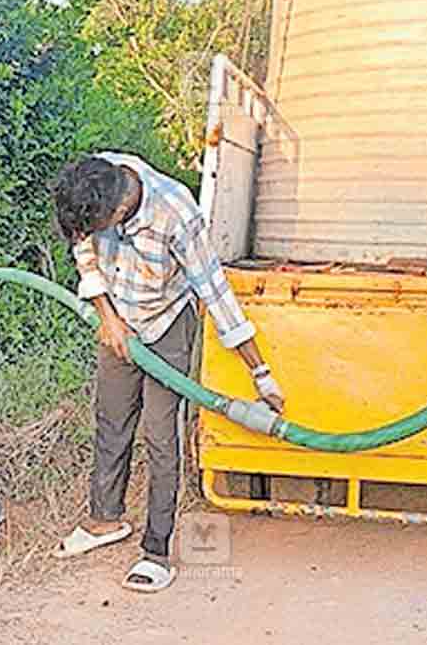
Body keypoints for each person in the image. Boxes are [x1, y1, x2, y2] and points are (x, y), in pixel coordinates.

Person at [50, 152, 286, 593]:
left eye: (99, 227)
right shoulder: (96, 178)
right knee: (111, 419)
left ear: (120, 210)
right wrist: (107, 317)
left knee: (161, 435)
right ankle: (105, 520)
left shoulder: (176, 214)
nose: (92, 234)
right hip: (118, 316)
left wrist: (261, 373)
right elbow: (84, 251)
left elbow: (215, 293)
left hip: (166, 321)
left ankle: (156, 551)